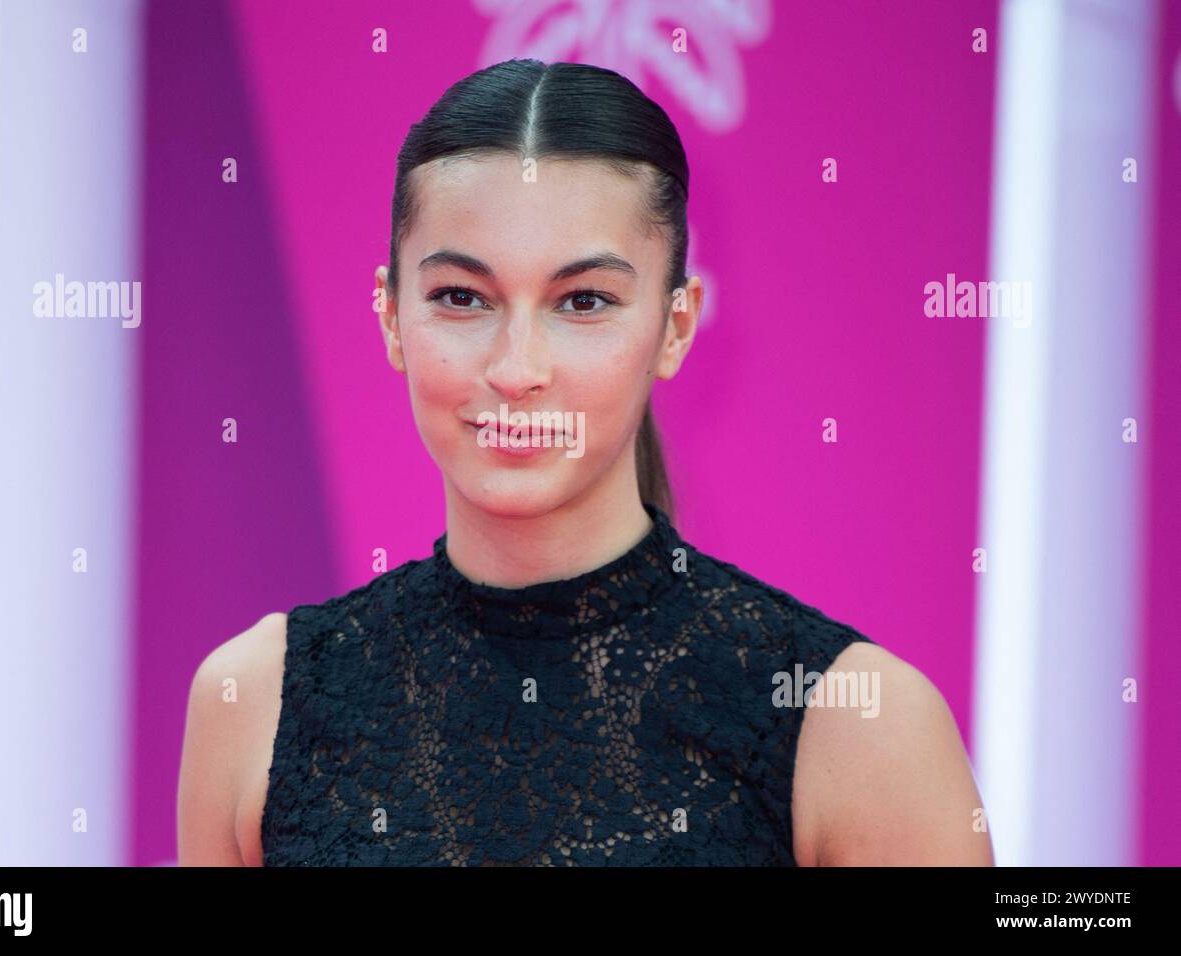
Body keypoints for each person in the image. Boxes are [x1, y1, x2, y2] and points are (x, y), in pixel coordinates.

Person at [177, 58, 993, 867]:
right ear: (392, 317)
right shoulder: (254, 700)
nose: (517, 368)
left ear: (676, 326)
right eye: (462, 297)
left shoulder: (854, 722)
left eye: (583, 302)